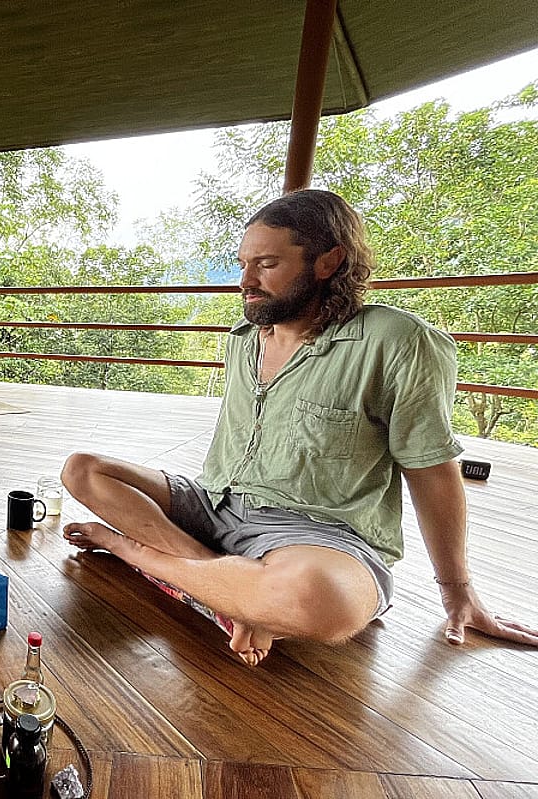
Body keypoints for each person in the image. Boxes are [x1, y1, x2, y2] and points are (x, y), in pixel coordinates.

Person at [61, 190, 538, 665]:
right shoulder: (245, 338)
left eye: (266, 264)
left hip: (317, 535)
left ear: (329, 262)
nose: (245, 280)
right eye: (243, 263)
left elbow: (432, 470)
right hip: (216, 503)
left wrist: (457, 591)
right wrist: (239, 593)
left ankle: (130, 549)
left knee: (318, 599)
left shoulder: (397, 342)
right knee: (83, 470)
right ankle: (227, 591)